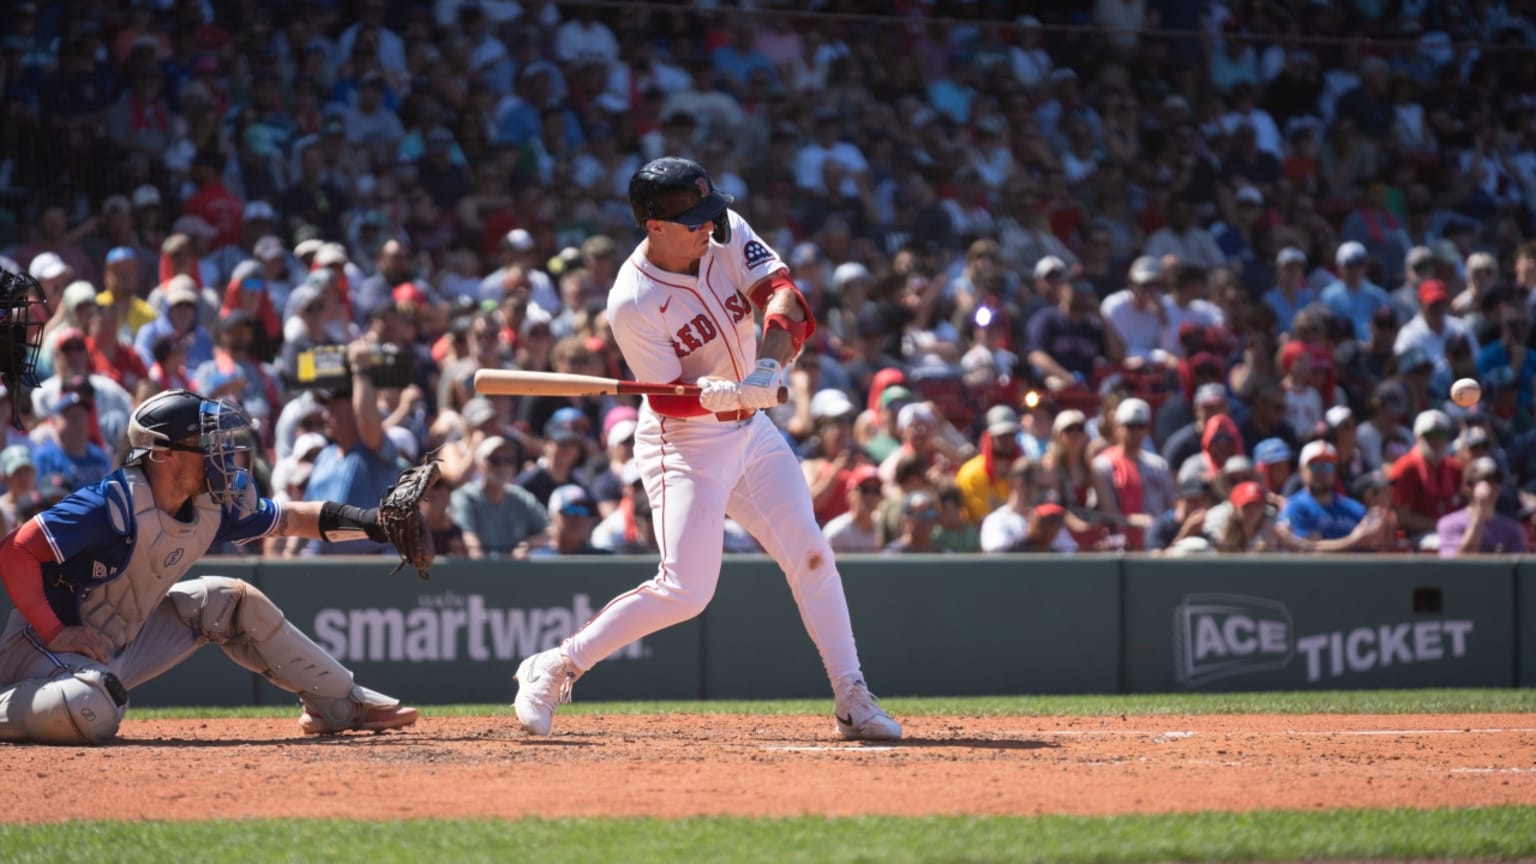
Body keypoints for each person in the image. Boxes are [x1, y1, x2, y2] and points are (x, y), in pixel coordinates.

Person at [511, 157, 900, 741]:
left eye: (708, 209)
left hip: (753, 429)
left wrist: (766, 364)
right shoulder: (632, 300)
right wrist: (707, 396)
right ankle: (554, 665)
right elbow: (667, 403)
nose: (708, 224)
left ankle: (851, 696)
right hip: (684, 443)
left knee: (812, 553)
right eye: (691, 217)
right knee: (686, 590)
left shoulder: (726, 229)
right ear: (654, 226)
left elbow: (784, 296)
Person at [0, 390, 418, 744]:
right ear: (163, 454)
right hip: (41, 655)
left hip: (116, 646)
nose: (220, 452)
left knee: (229, 601)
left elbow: (291, 518)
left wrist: (373, 524)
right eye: (205, 442)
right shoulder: (108, 504)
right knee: (92, 705)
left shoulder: (210, 504)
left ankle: (341, 702)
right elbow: (13, 551)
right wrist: (55, 631)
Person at [1437, 457, 1526, 557]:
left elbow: (1519, 569)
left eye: (1497, 479)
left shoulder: (1512, 528)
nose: (1493, 485)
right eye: (1486, 479)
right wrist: (1479, 513)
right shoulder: (1449, 524)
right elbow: (1456, 566)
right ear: (1467, 487)